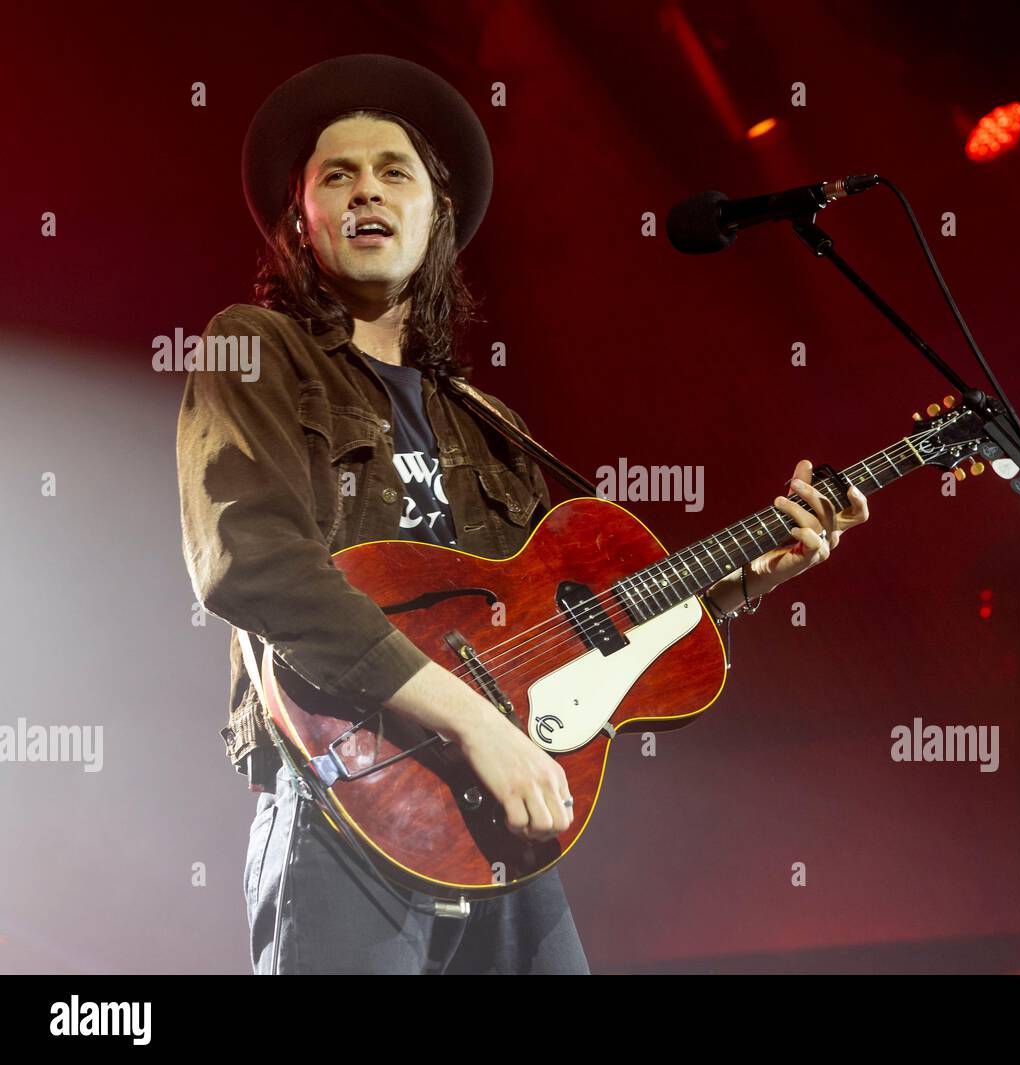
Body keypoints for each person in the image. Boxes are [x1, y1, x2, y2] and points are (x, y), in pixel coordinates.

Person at [176, 54, 869, 975]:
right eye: (336, 176)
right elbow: (252, 562)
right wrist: (474, 721)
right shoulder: (254, 346)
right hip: (345, 795)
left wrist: (744, 579)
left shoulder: (486, 420)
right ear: (300, 221)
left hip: (493, 817)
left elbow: (569, 626)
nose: (366, 190)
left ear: (437, 215)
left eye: (393, 171)